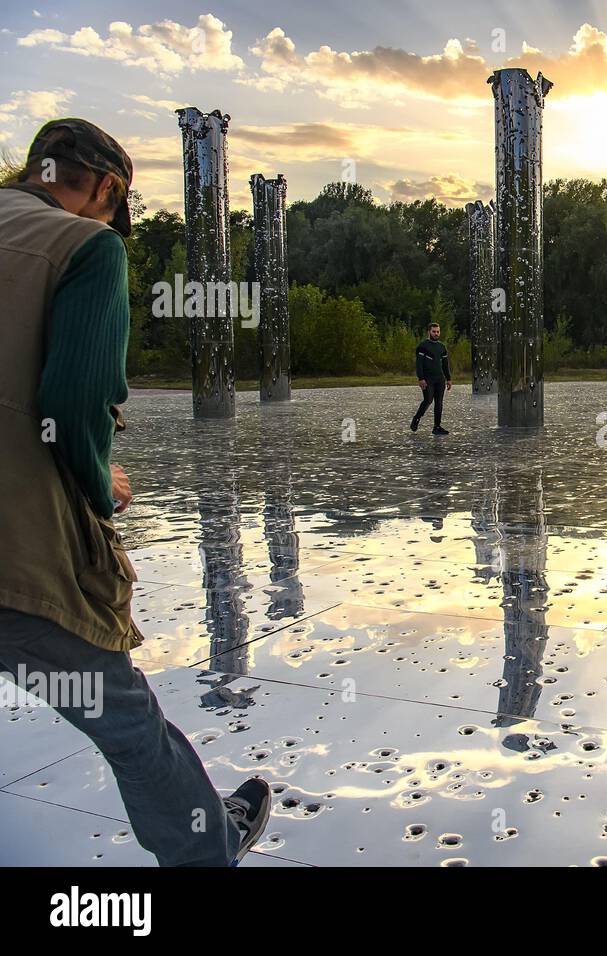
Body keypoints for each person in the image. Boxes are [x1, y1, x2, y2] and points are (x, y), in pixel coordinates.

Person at [0, 118, 271, 866]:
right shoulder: (86, 246)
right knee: (124, 720)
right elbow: (72, 402)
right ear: (108, 189)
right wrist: (98, 485)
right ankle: (206, 847)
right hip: (18, 551)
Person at [411, 322, 452, 435]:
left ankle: (437, 427)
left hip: (440, 379)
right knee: (428, 400)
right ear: (429, 332)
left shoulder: (442, 347)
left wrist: (448, 378)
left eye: (438, 331)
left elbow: (445, 364)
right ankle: (417, 418)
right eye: (434, 331)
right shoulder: (422, 346)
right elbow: (419, 364)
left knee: (439, 403)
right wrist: (421, 378)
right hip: (427, 379)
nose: (436, 333)